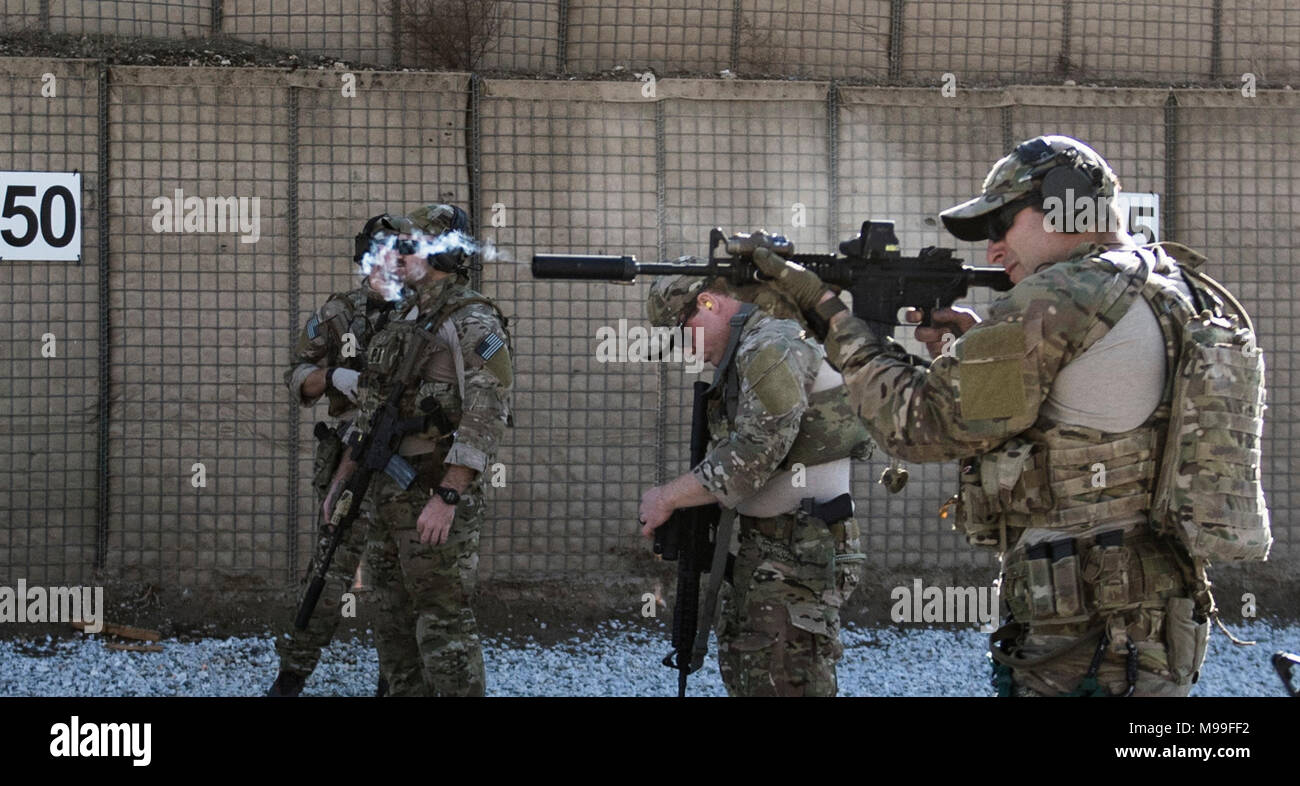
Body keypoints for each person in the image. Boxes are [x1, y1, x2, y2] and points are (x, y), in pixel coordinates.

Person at [753, 135, 1268, 697]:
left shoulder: (1064, 293)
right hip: (1151, 621)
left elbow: (920, 427)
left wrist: (834, 320)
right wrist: (977, 353)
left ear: (1065, 202)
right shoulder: (1171, 284)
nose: (995, 250)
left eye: (1002, 224)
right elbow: (1096, 407)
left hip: (1084, 633)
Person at [637, 275, 871, 696]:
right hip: (766, 548)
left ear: (708, 303)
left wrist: (668, 498)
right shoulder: (749, 348)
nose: (690, 350)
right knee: (753, 674)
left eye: (684, 333)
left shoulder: (772, 344)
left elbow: (757, 452)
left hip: (800, 550)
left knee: (786, 680)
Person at [324, 204, 513, 697]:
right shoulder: (405, 316)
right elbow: (371, 411)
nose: (398, 255)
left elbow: (487, 410)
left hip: (432, 490)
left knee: (441, 622)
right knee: (391, 618)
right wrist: (343, 479)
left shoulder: (472, 319)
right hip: (386, 491)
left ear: (443, 255)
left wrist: (449, 495)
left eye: (410, 246)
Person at [268, 213, 409, 697]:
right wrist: (331, 377)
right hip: (350, 456)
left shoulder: (422, 314)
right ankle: (291, 676)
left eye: (398, 256)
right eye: (379, 256)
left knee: (398, 580)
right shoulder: (338, 313)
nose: (388, 266)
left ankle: (395, 680)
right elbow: (296, 375)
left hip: (408, 461)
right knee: (328, 573)